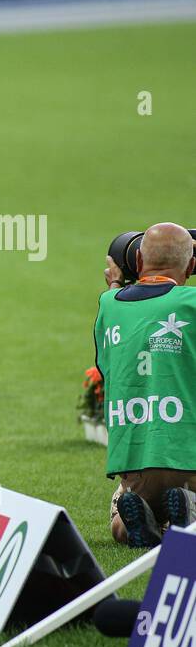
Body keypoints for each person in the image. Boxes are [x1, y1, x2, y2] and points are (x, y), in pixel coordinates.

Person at [98, 222, 196, 547]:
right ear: (192, 266)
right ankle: (189, 511)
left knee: (118, 520)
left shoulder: (109, 306)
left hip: (139, 469)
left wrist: (114, 281)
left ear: (138, 262)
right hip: (190, 459)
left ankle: (143, 520)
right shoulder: (191, 303)